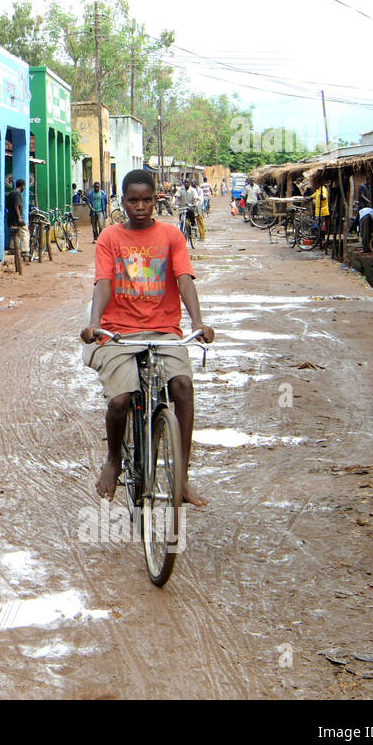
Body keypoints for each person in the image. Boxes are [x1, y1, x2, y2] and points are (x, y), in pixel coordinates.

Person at [80, 169, 213, 507]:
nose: (140, 206)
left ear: (156, 200)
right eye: (132, 200)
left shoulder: (171, 236)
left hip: (163, 330)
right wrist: (95, 324)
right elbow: (104, 283)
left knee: (182, 386)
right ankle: (113, 461)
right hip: (119, 332)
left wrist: (198, 323)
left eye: (146, 199)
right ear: (122, 201)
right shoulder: (110, 238)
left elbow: (184, 279)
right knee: (121, 400)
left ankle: (181, 477)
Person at [5, 178, 26, 251]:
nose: (24, 188)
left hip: (10, 218)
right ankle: (25, 250)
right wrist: (19, 218)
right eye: (24, 186)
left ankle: (12, 248)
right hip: (16, 218)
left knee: (15, 234)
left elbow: (7, 206)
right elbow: (16, 205)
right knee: (25, 232)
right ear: (22, 186)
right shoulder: (17, 193)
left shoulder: (11, 192)